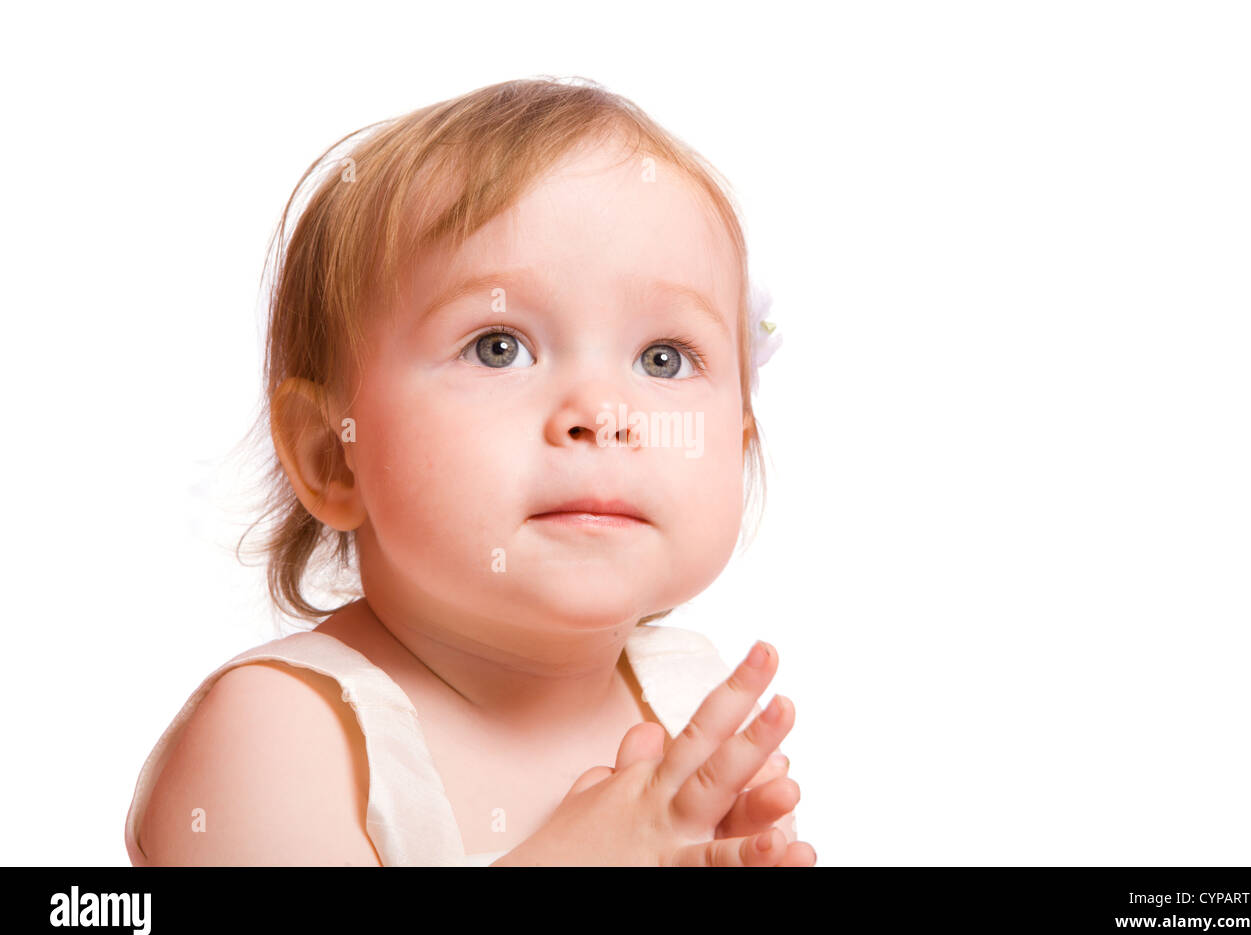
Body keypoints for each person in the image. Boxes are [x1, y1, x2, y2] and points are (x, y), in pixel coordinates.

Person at [124, 75, 812, 866]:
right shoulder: (281, 737)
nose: (603, 413)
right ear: (329, 455)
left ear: (740, 439)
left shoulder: (691, 697)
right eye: (498, 346)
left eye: (663, 358)